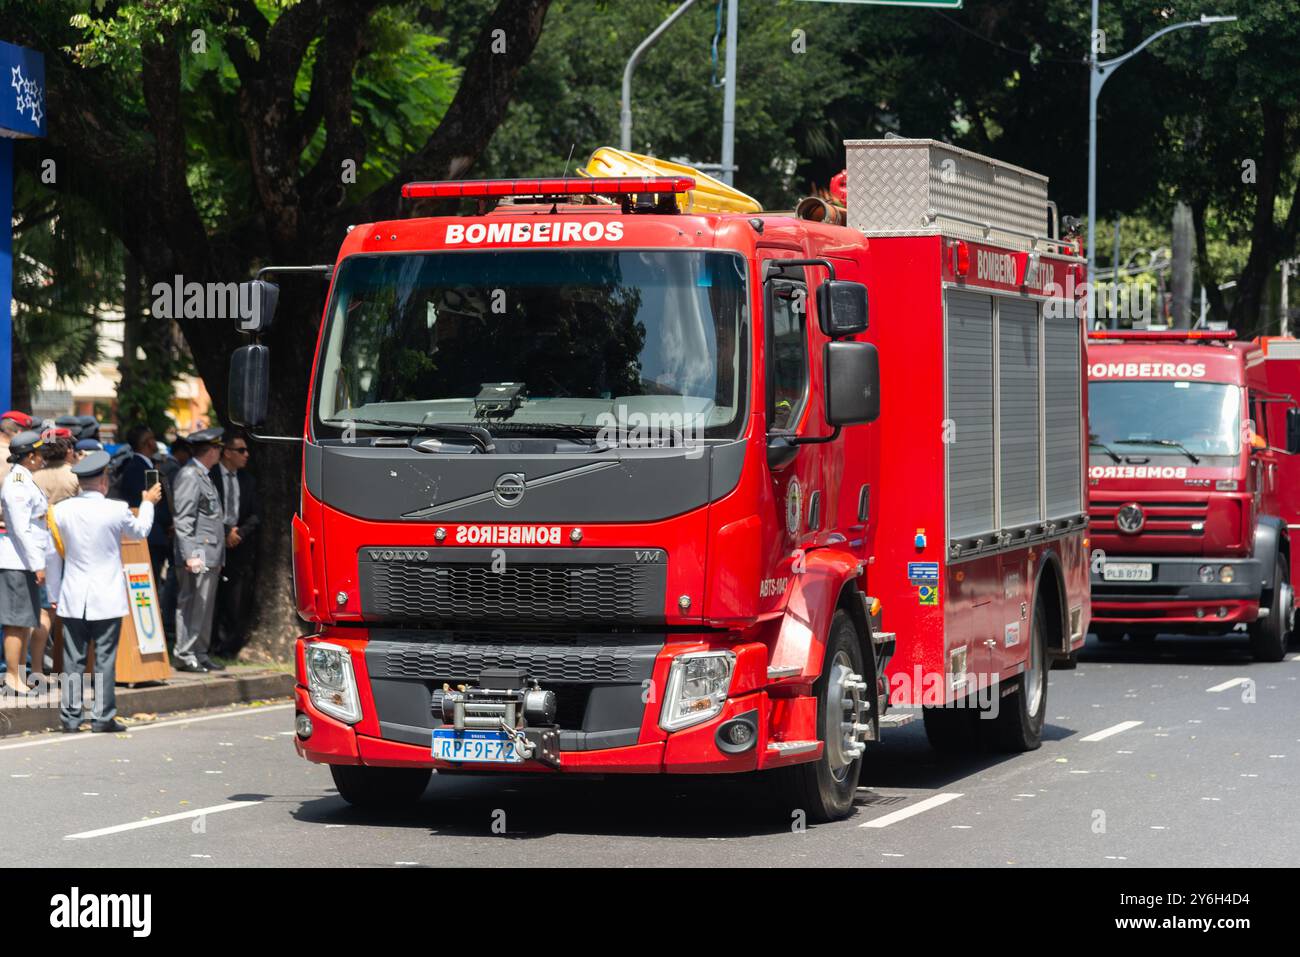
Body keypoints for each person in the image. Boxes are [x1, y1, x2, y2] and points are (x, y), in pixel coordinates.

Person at [45, 451, 161, 733]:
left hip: (73, 595)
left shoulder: (60, 510)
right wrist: (147, 504)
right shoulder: (116, 508)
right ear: (103, 481)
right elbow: (140, 531)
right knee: (105, 658)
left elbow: (52, 556)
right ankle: (103, 716)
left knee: (73, 660)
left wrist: (53, 592)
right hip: (107, 596)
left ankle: (70, 718)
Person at [171, 427, 226, 673]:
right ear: (211, 451)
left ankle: (199, 651)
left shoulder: (202, 474)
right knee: (193, 602)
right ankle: (185, 653)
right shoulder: (190, 475)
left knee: (204, 604)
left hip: (209, 551)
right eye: (218, 448)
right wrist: (191, 555)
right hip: (199, 551)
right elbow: (183, 520)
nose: (220, 453)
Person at [0, 431, 50, 695]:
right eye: (40, 454)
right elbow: (20, 529)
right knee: (15, 622)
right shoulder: (18, 483)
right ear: (30, 457)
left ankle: (18, 675)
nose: (43, 459)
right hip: (18, 561)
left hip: (24, 560)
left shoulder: (25, 480)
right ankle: (12, 677)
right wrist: (37, 563)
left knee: (23, 621)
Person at [211, 431, 258, 659]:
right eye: (241, 450)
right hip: (213, 543)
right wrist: (225, 531)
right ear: (227, 453)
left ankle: (229, 645)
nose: (246, 455)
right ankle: (211, 642)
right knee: (211, 596)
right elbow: (206, 511)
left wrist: (238, 533)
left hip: (239, 546)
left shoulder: (247, 480)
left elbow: (255, 514)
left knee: (235, 598)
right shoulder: (210, 477)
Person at [117, 424, 173, 592]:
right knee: (150, 588)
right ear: (147, 443)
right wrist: (168, 522)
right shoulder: (138, 469)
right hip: (149, 536)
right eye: (152, 439)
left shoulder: (143, 466)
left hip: (152, 534)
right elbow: (150, 502)